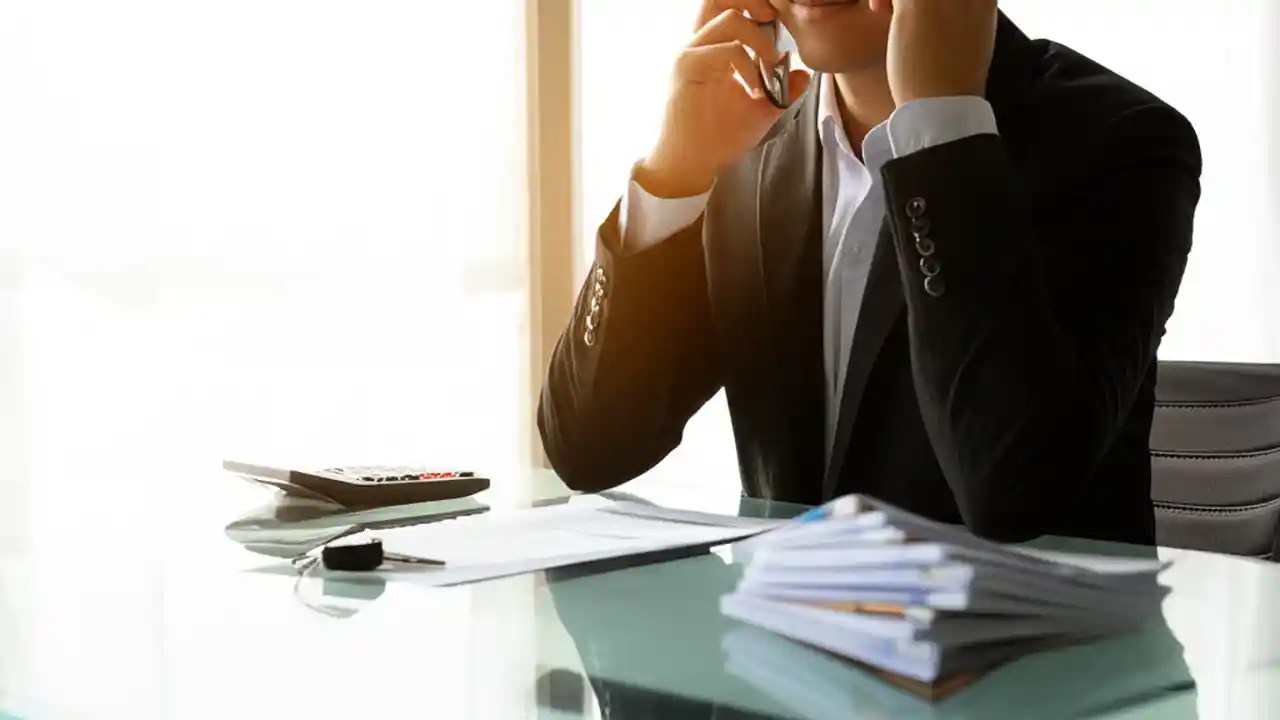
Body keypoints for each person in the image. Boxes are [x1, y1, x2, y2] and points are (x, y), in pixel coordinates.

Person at [538, 0, 1202, 544]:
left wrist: (940, 129)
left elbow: (1012, 493)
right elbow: (589, 449)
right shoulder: (744, 146)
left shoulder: (1121, 143)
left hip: (1036, 681)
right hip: (787, 671)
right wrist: (673, 174)